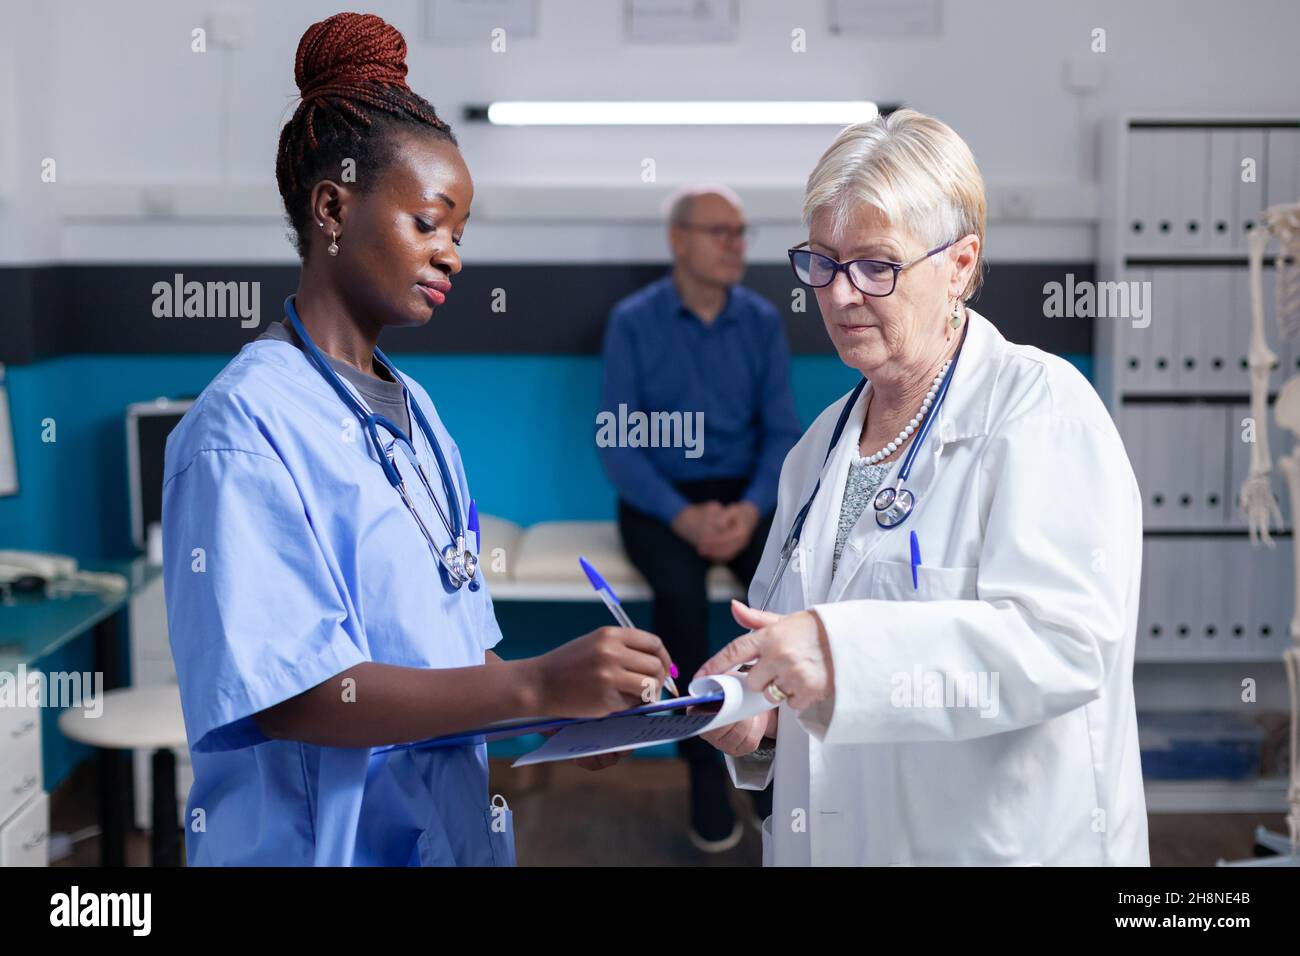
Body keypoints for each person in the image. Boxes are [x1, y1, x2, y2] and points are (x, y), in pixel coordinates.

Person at [162, 12, 670, 867]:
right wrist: (537, 683)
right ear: (333, 206)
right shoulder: (241, 430)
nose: (453, 256)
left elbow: (457, 654)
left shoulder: (419, 414)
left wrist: (564, 713)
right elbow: (293, 696)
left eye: (460, 235)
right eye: (429, 224)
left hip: (443, 836)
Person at [697, 108, 1149, 866]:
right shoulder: (817, 450)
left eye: (876, 266)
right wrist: (757, 706)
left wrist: (838, 655)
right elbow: (798, 662)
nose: (840, 295)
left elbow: (1067, 645)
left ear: (962, 265)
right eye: (822, 261)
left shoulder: (1040, 408)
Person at [598, 186, 801, 852]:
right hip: (664, 500)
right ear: (679, 240)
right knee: (680, 603)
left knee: (781, 596)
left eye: (742, 233)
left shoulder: (761, 321)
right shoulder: (634, 321)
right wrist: (683, 517)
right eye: (721, 232)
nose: (737, 246)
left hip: (745, 495)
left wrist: (749, 509)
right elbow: (619, 443)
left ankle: (775, 771)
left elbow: (781, 434)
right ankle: (702, 777)